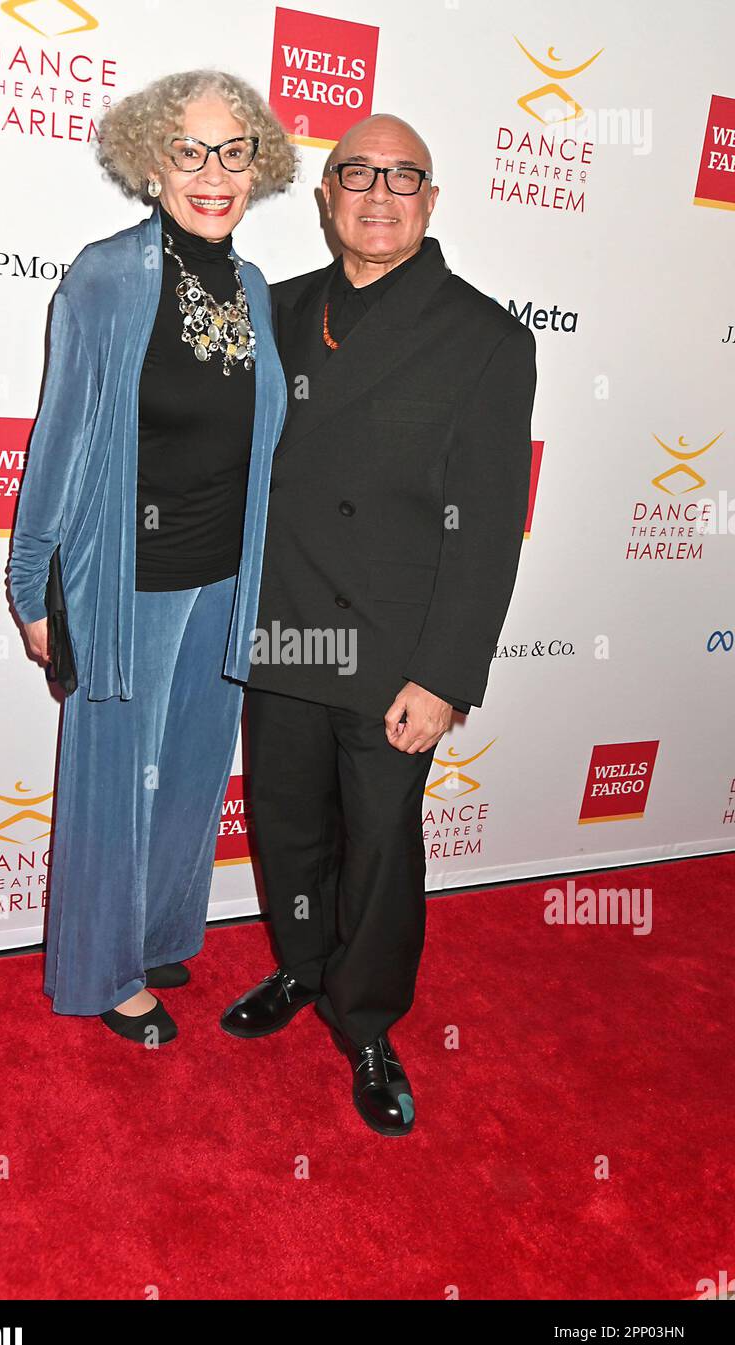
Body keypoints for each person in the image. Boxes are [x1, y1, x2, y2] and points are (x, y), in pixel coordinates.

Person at [220, 113, 537, 1136]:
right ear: (326, 199)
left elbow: (489, 530)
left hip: (394, 650)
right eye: (357, 174)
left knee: (381, 848)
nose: (380, 193)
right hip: (284, 625)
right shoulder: (277, 308)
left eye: (406, 177)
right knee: (290, 823)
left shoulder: (484, 336)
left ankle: (365, 1022)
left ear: (432, 201)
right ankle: (302, 969)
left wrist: (445, 675)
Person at [7, 70, 294, 1045]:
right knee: (113, 781)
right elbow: (59, 434)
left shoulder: (254, 289)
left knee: (195, 772)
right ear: (151, 163)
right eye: (190, 151)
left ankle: (164, 928)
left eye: (233, 151)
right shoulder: (107, 276)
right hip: (127, 581)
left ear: (258, 164)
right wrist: (30, 579)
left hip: (224, 578)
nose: (213, 174)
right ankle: (102, 968)